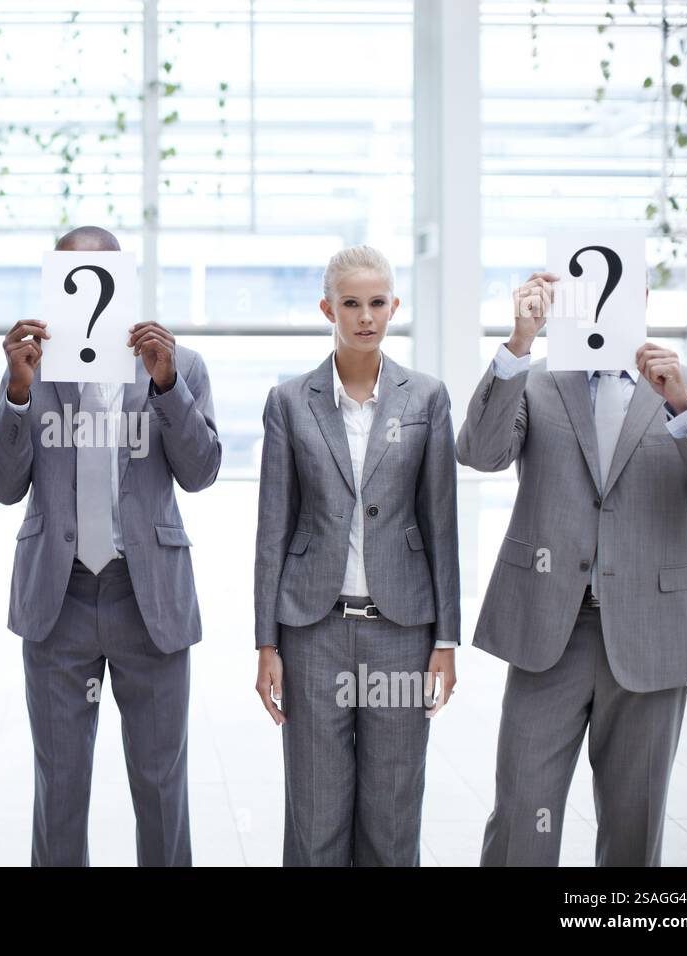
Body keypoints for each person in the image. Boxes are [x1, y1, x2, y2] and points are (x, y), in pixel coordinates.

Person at [459, 270, 687, 866]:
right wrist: (518, 345)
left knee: (633, 822)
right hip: (549, 631)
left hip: (652, 633)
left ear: (641, 301)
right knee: (521, 815)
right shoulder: (535, 383)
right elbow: (481, 453)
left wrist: (684, 408)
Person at [0, 225, 223, 866]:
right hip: (57, 599)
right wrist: (17, 392)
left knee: (160, 782)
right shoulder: (29, 371)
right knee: (59, 785)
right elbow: (2, 487)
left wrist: (167, 384)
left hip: (148, 599)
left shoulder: (178, 363)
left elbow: (200, 473)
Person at [253, 245, 460, 866]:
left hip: (401, 633)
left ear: (394, 306)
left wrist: (445, 640)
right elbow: (272, 529)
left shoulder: (426, 399)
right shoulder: (289, 402)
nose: (365, 316)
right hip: (312, 632)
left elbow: (441, 526)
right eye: (351, 304)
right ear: (328, 309)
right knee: (315, 819)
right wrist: (266, 643)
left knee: (393, 819)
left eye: (377, 303)